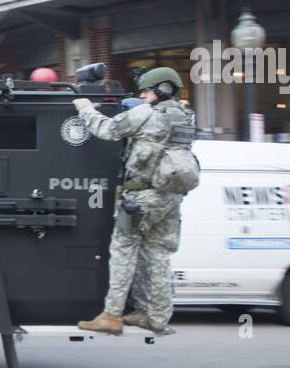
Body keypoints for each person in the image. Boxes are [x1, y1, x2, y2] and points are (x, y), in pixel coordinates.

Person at [71, 67, 199, 336]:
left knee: (123, 249)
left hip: (141, 197)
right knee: (158, 255)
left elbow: (107, 129)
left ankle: (112, 315)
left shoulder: (146, 114)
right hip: (170, 198)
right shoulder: (185, 117)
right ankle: (156, 317)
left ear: (163, 89)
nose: (142, 96)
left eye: (146, 90)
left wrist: (85, 108)